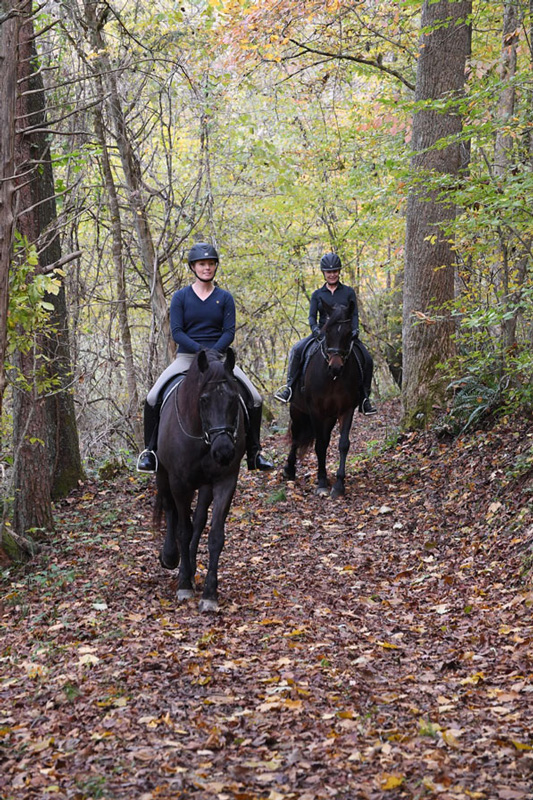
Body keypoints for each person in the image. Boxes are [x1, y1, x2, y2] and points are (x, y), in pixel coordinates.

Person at [136, 243, 274, 473]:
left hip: (218, 359)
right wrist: (201, 351)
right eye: (202, 264)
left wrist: (213, 354)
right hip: (188, 358)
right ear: (193, 267)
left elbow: (229, 332)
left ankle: (254, 452)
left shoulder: (225, 297)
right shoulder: (181, 297)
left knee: (256, 398)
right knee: (152, 397)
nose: (207, 268)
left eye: (211, 264)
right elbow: (177, 331)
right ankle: (150, 452)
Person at [274, 252, 377, 414]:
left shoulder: (348, 292)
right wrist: (315, 330)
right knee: (296, 350)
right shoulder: (317, 294)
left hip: (344, 336)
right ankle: (289, 388)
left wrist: (355, 329)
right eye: (329, 272)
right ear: (324, 273)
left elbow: (354, 314)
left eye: (335, 271)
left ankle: (365, 398)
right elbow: (311, 316)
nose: (332, 275)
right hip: (323, 334)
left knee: (368, 359)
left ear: (339, 272)